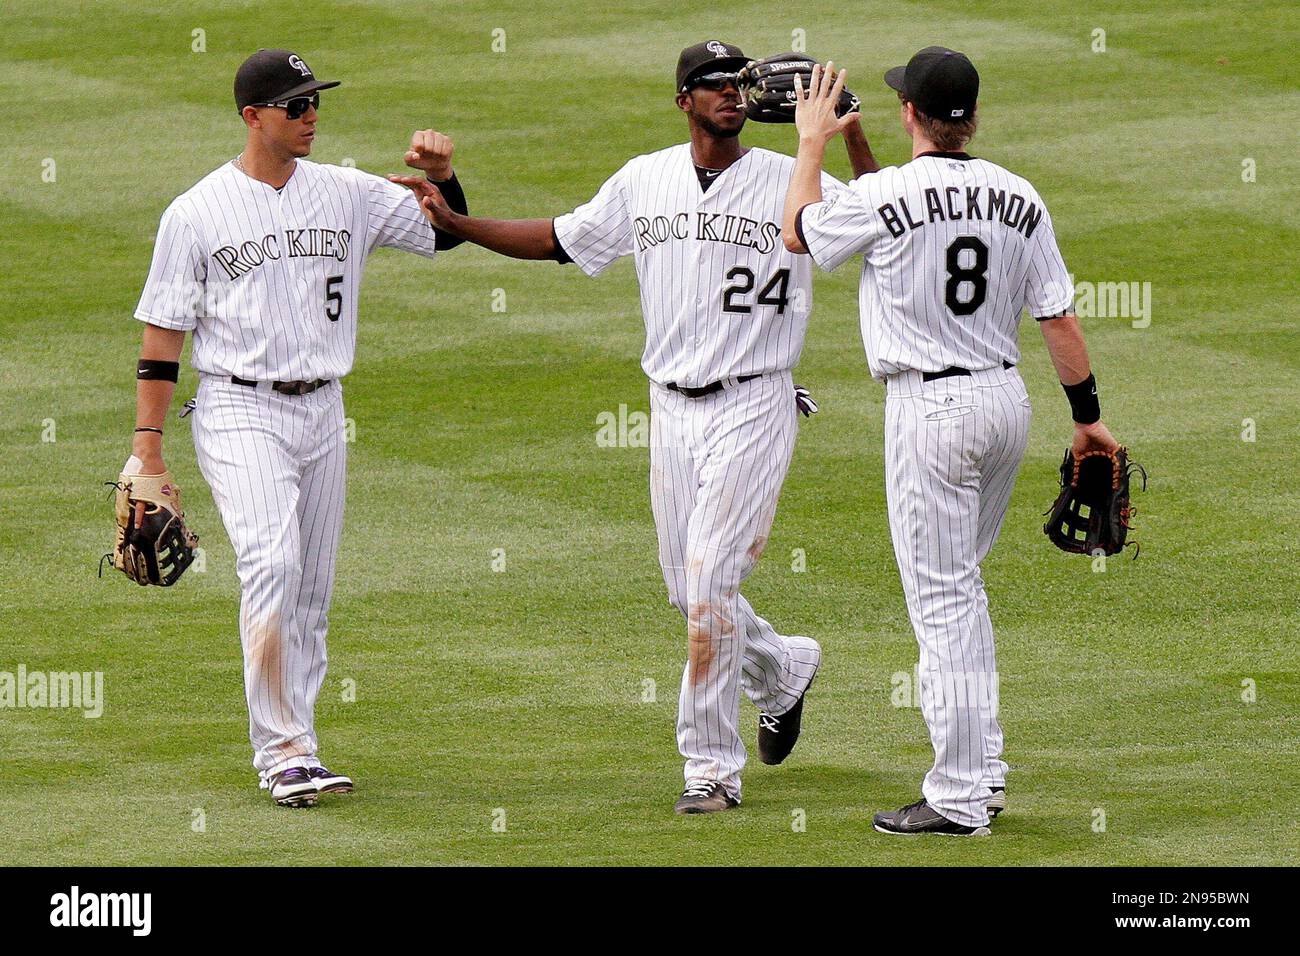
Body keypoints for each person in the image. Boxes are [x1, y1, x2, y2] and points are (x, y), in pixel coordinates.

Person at [391, 40, 877, 814]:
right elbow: (559, 239)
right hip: (670, 407)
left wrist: (846, 134)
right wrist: (457, 220)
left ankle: (709, 770)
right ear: (683, 100)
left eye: (737, 83)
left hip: (755, 402)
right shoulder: (643, 178)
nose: (728, 93)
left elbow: (879, 220)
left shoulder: (794, 179)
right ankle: (782, 668)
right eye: (711, 85)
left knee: (712, 581)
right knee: (689, 593)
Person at [783, 47, 1120, 835]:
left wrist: (810, 142)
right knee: (960, 590)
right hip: (1007, 401)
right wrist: (1088, 419)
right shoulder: (1017, 193)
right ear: (969, 117)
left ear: (909, 113)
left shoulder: (889, 195)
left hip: (931, 413)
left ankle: (961, 794)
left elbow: (802, 234)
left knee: (943, 602)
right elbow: (1059, 319)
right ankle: (984, 767)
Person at [129, 48, 468, 807]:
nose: (312, 115)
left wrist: (442, 180)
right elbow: (162, 337)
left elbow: (443, 234)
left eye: (316, 102)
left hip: (323, 410)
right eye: (296, 105)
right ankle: (280, 751)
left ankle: (300, 746)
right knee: (274, 562)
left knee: (310, 588)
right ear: (254, 116)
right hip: (238, 405)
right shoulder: (196, 212)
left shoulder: (346, 192)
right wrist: (146, 449)